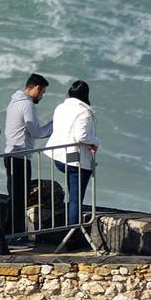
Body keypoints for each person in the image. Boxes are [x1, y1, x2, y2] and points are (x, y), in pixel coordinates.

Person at [46, 80, 99, 234]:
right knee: (76, 198)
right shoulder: (84, 112)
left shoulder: (60, 107)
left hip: (61, 156)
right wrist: (96, 141)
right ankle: (72, 234)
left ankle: (70, 229)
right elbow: (81, 135)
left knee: (72, 190)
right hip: (75, 157)